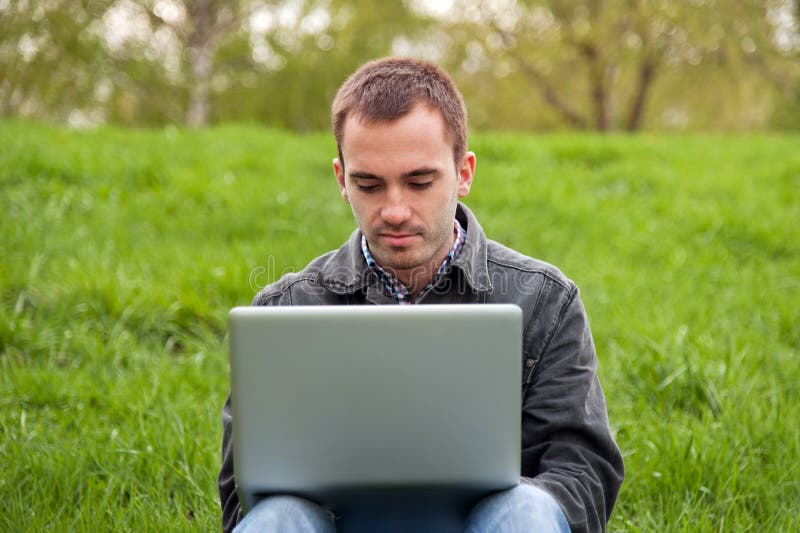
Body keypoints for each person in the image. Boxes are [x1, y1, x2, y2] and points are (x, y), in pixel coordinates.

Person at [218, 57, 624, 532]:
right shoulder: (284, 311)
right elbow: (242, 498)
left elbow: (583, 473)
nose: (394, 210)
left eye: (419, 182)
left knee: (525, 512)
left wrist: (513, 500)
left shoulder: (543, 300)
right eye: (368, 184)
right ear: (341, 180)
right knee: (279, 519)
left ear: (464, 173)